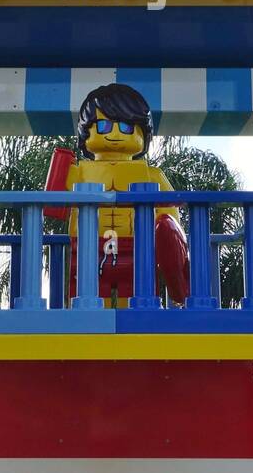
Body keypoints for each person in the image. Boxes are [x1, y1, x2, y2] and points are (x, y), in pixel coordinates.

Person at [44, 83, 189, 306]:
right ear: (86, 132)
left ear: (143, 135)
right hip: (85, 246)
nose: (114, 133)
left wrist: (167, 235)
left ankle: (133, 327)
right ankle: (86, 327)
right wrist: (60, 169)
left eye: (126, 127)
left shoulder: (152, 174)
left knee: (133, 296)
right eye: (102, 126)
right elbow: (53, 206)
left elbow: (169, 213)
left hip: (136, 247)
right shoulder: (79, 170)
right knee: (86, 295)